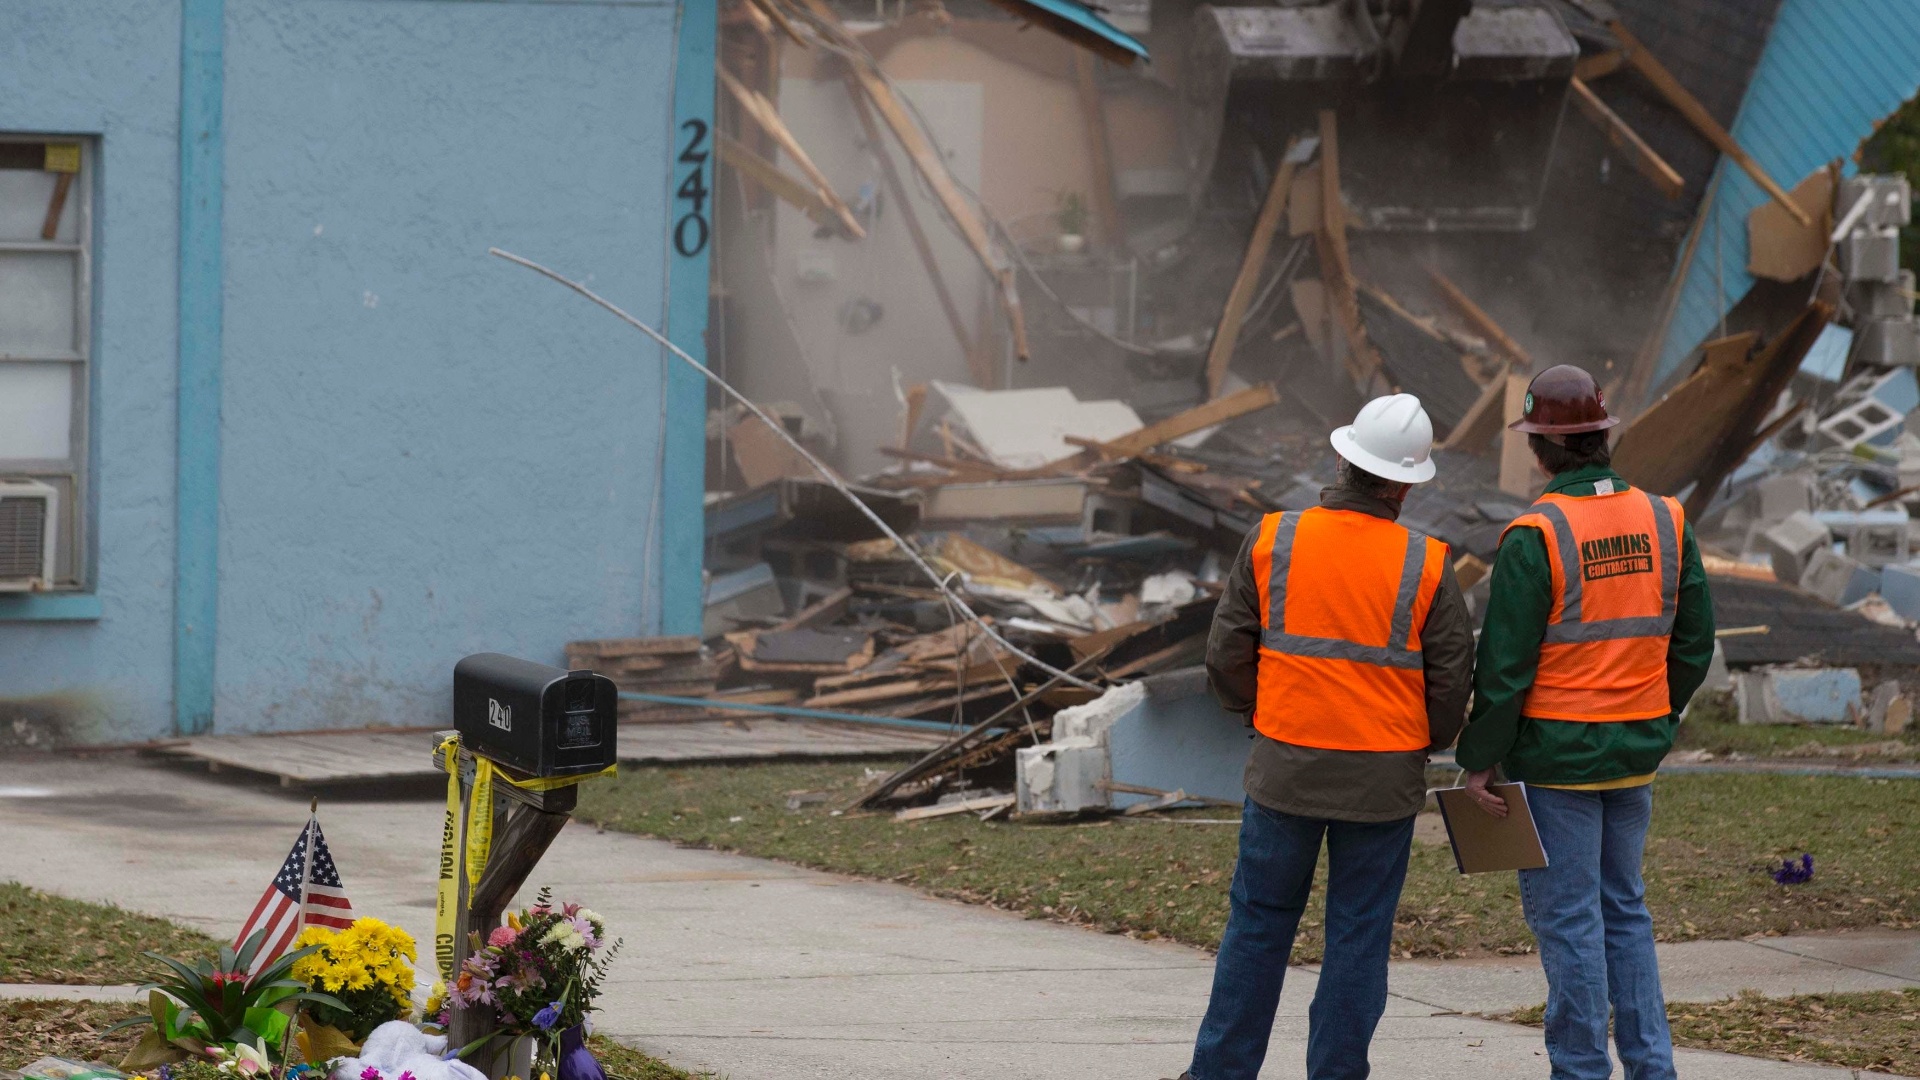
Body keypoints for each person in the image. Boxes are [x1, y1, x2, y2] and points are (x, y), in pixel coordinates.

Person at [1171, 394, 1475, 1080]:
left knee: (1257, 928)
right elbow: (1452, 684)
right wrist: (1420, 741)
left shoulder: (1275, 538)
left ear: (1342, 460)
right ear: (1405, 482)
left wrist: (1262, 715)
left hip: (1285, 771)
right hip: (1383, 783)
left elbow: (1225, 656)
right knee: (1358, 939)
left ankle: (1220, 1072)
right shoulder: (1428, 562)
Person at [1455, 364, 1715, 1080]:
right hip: (1635, 755)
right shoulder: (1667, 518)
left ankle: (1578, 1070)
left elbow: (1504, 670)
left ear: (1539, 448)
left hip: (1556, 766)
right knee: (1624, 913)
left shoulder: (1534, 534)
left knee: (1570, 921)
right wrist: (1656, 712)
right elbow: (1695, 640)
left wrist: (1480, 756)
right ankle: (1650, 1067)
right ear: (1604, 435)